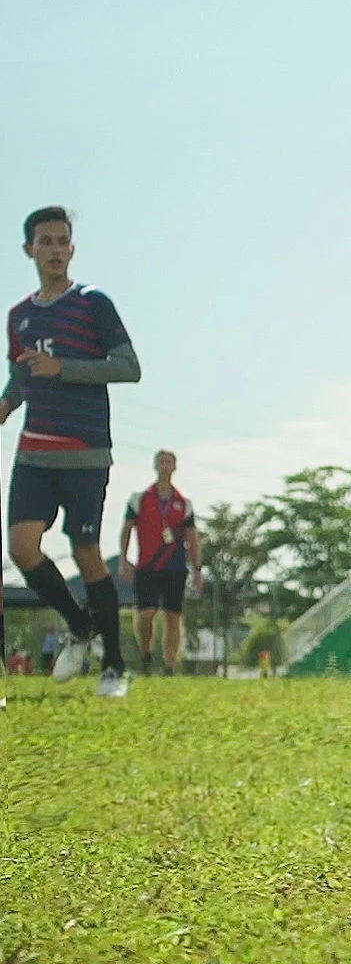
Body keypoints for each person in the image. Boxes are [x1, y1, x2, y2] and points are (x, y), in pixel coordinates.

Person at [0, 206, 143, 697]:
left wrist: (64, 369)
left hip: (85, 452)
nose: (56, 249)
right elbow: (22, 376)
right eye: (46, 241)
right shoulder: (18, 316)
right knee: (21, 549)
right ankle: (79, 627)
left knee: (86, 553)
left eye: (63, 241)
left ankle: (114, 668)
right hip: (33, 453)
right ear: (29, 250)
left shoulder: (93, 303)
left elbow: (129, 367)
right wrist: (4, 405)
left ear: (72, 249)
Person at [118, 449, 203, 676]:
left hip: (175, 567)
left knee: (173, 616)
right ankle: (146, 653)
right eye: (162, 461)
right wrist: (123, 559)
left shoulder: (183, 502)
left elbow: (193, 537)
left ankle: (170, 664)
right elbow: (127, 529)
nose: (165, 465)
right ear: (155, 465)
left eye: (169, 462)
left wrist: (197, 568)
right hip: (147, 566)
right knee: (146, 614)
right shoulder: (140, 499)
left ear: (175, 467)